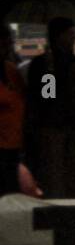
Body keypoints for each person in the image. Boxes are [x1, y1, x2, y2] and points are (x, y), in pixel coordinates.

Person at [24, 17, 75, 198]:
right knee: (55, 176)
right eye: (71, 34)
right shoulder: (45, 65)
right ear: (59, 36)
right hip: (54, 130)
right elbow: (46, 99)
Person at [0, 24, 25, 196]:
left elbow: (46, 98)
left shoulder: (11, 70)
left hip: (16, 143)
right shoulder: (42, 66)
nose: (9, 46)